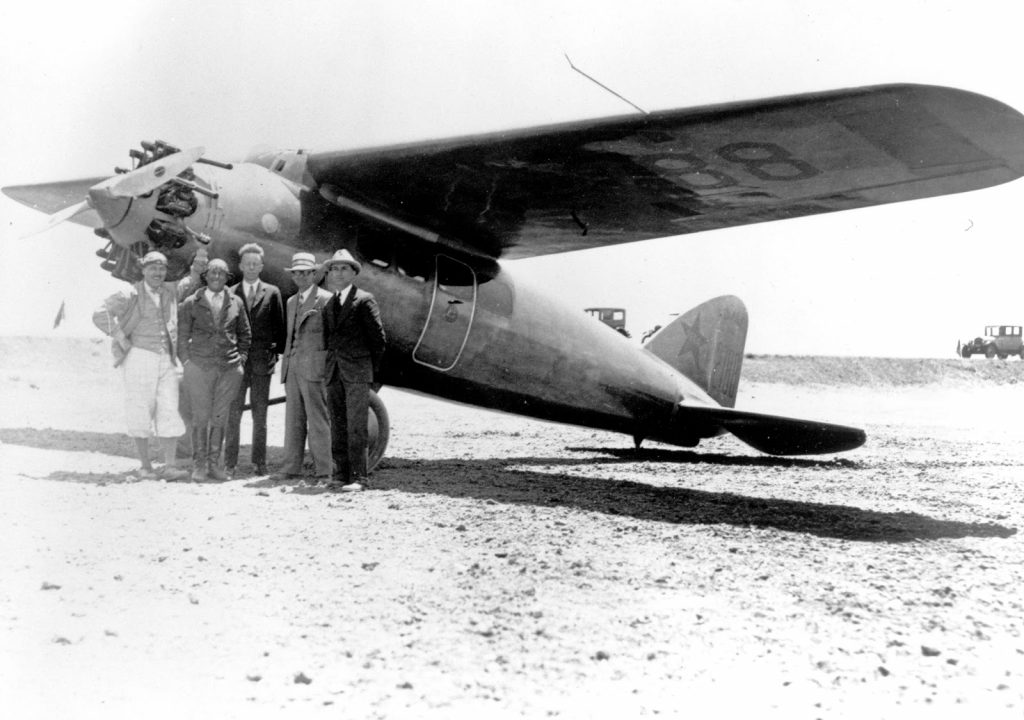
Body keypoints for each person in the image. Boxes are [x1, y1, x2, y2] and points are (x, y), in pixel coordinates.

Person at [92, 250, 189, 481]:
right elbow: (99, 313)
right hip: (139, 357)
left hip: (166, 358)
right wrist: (119, 336)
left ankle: (170, 466)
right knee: (139, 409)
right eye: (153, 268)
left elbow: (190, 281)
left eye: (162, 268)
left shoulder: (169, 292)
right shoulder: (130, 293)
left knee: (169, 409)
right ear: (143, 270)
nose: (158, 272)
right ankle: (145, 467)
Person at [178, 258, 252, 482]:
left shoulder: (236, 302)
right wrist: (186, 362)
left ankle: (214, 464)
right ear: (206, 276)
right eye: (213, 273)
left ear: (227, 278)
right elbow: (182, 336)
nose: (217, 277)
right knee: (201, 417)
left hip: (228, 368)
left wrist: (240, 360)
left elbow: (245, 335)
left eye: (222, 274)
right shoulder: (192, 302)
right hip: (199, 367)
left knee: (220, 417)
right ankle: (199, 465)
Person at [321, 249, 386, 492]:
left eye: (344, 268)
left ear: (353, 273)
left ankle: (360, 478)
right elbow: (328, 341)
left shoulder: (364, 300)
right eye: (334, 268)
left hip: (357, 373)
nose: (338, 273)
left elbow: (378, 340)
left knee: (357, 426)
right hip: (335, 373)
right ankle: (340, 475)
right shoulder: (329, 303)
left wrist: (370, 374)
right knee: (337, 425)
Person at [225, 243, 286, 476]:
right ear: (240, 266)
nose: (251, 267)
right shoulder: (230, 293)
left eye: (255, 263)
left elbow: (279, 330)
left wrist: (271, 356)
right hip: (236, 365)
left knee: (260, 415)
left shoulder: (272, 292)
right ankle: (229, 464)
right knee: (234, 414)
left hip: (262, 364)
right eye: (247, 263)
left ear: (261, 266)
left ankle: (259, 463)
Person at [277, 252, 333, 480]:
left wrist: (325, 366)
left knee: (318, 420)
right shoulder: (291, 301)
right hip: (293, 369)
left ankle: (325, 470)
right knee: (293, 420)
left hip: (314, 369)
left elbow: (332, 337)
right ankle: (291, 467)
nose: (300, 276)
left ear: (314, 274)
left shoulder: (326, 299)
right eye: (296, 273)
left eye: (305, 272)